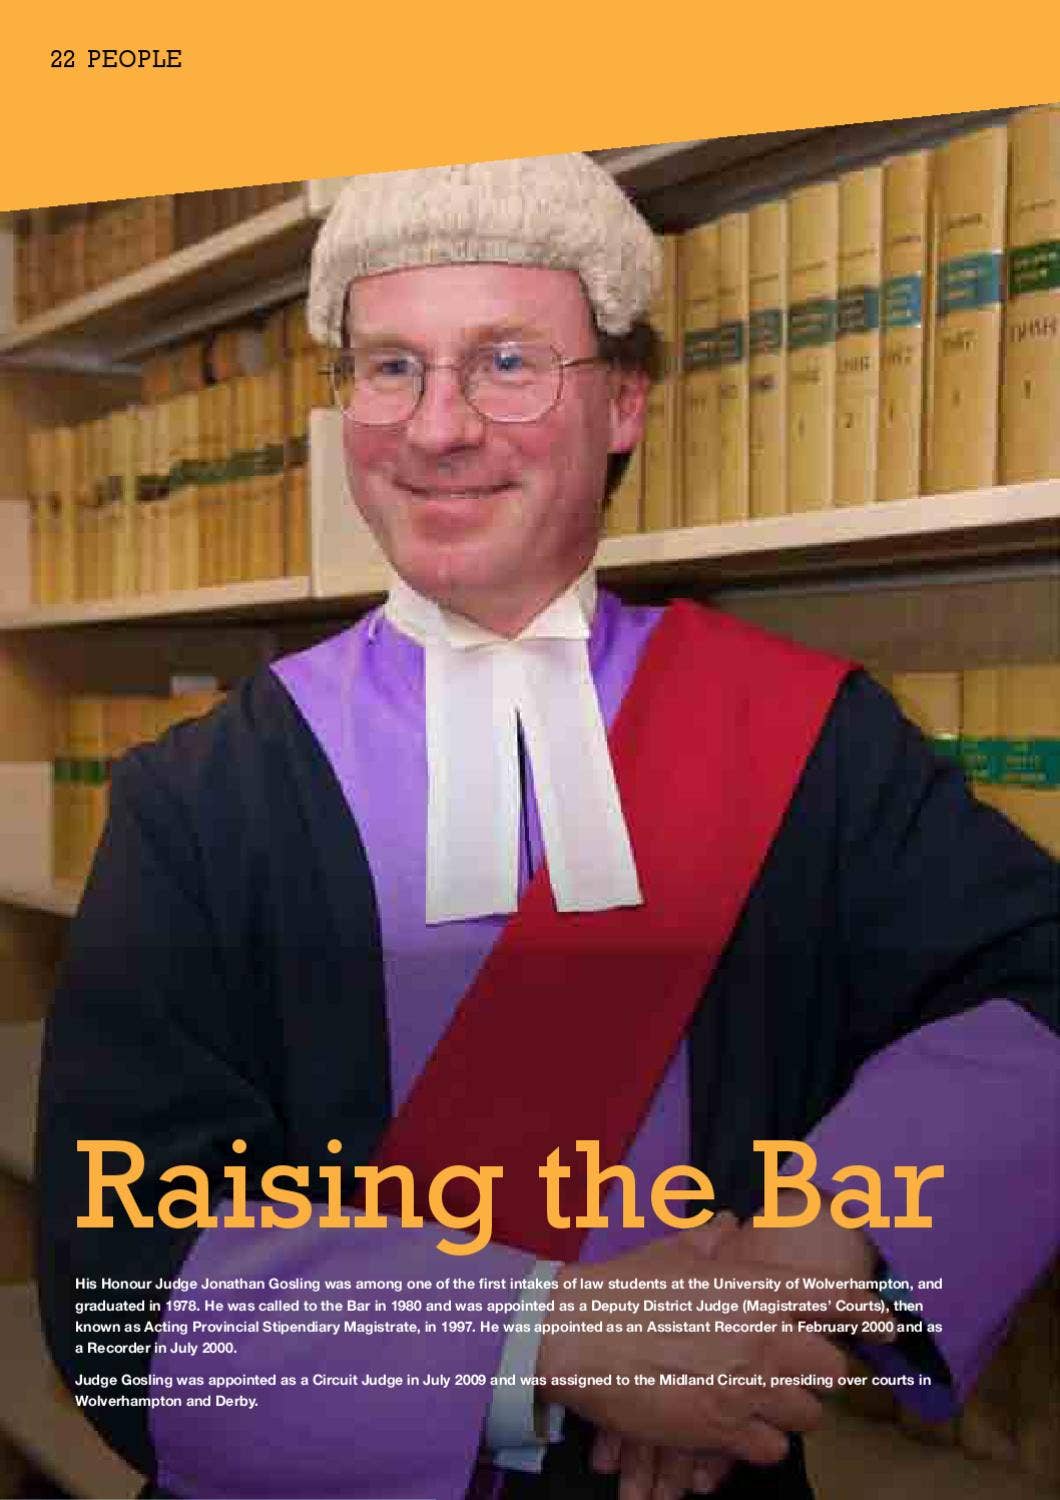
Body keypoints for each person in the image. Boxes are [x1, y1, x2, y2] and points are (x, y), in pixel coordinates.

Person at [37, 154, 1058, 1500]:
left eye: (507, 362)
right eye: (390, 369)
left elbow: (1036, 991)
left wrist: (792, 1262)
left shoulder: (816, 741)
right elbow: (123, 1282)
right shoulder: (196, 800)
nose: (437, 427)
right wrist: (562, 1337)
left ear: (625, 399)